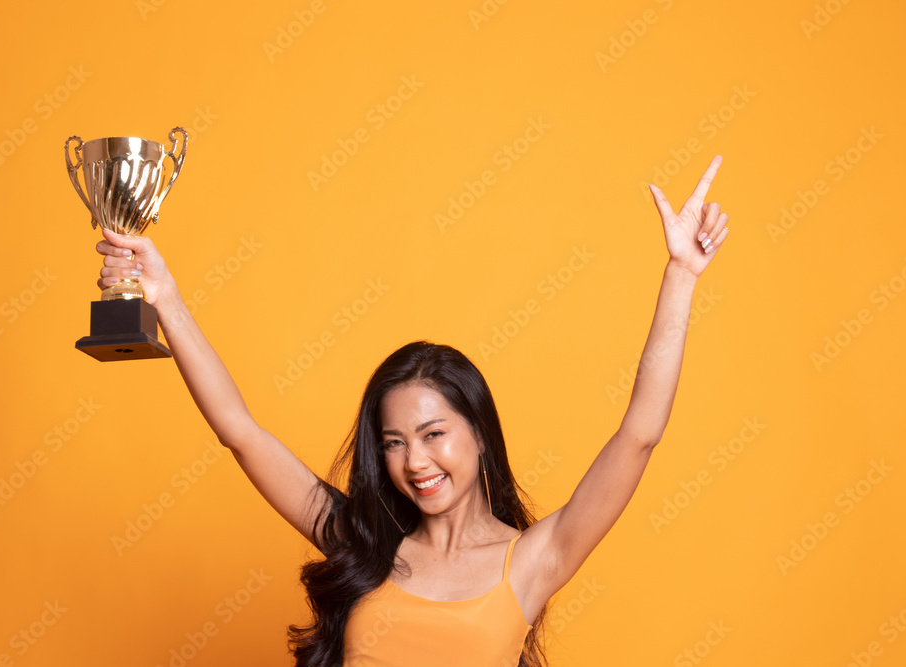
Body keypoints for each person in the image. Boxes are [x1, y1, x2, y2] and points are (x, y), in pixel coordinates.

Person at [94, 156, 730, 667]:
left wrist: (680, 274)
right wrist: (166, 301)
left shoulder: (535, 560)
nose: (413, 461)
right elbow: (241, 432)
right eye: (394, 442)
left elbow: (639, 435)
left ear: (479, 434)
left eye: (432, 434)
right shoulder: (365, 546)